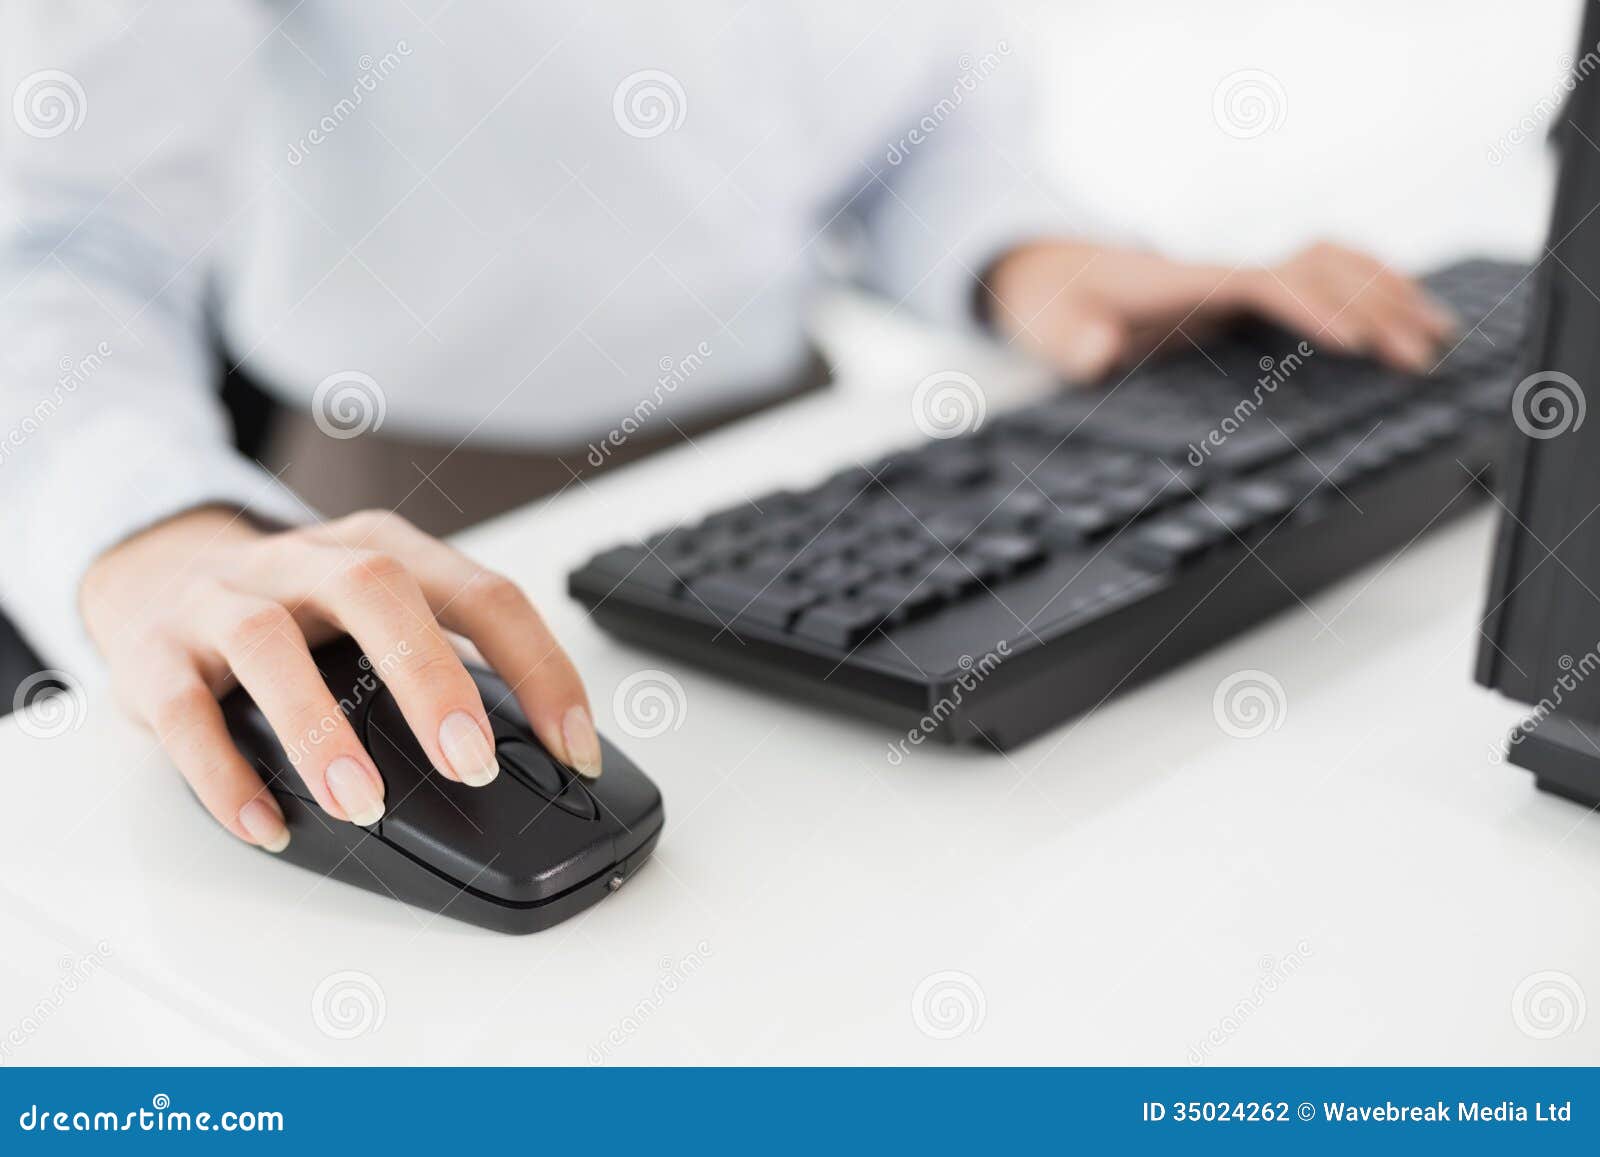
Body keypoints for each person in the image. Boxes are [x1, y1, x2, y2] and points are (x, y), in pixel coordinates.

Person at [0, 3, 1454, 855]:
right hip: (415, 506)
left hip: (797, 453)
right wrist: (146, 531)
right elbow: (49, 233)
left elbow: (911, 113)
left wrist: (1027, 253)